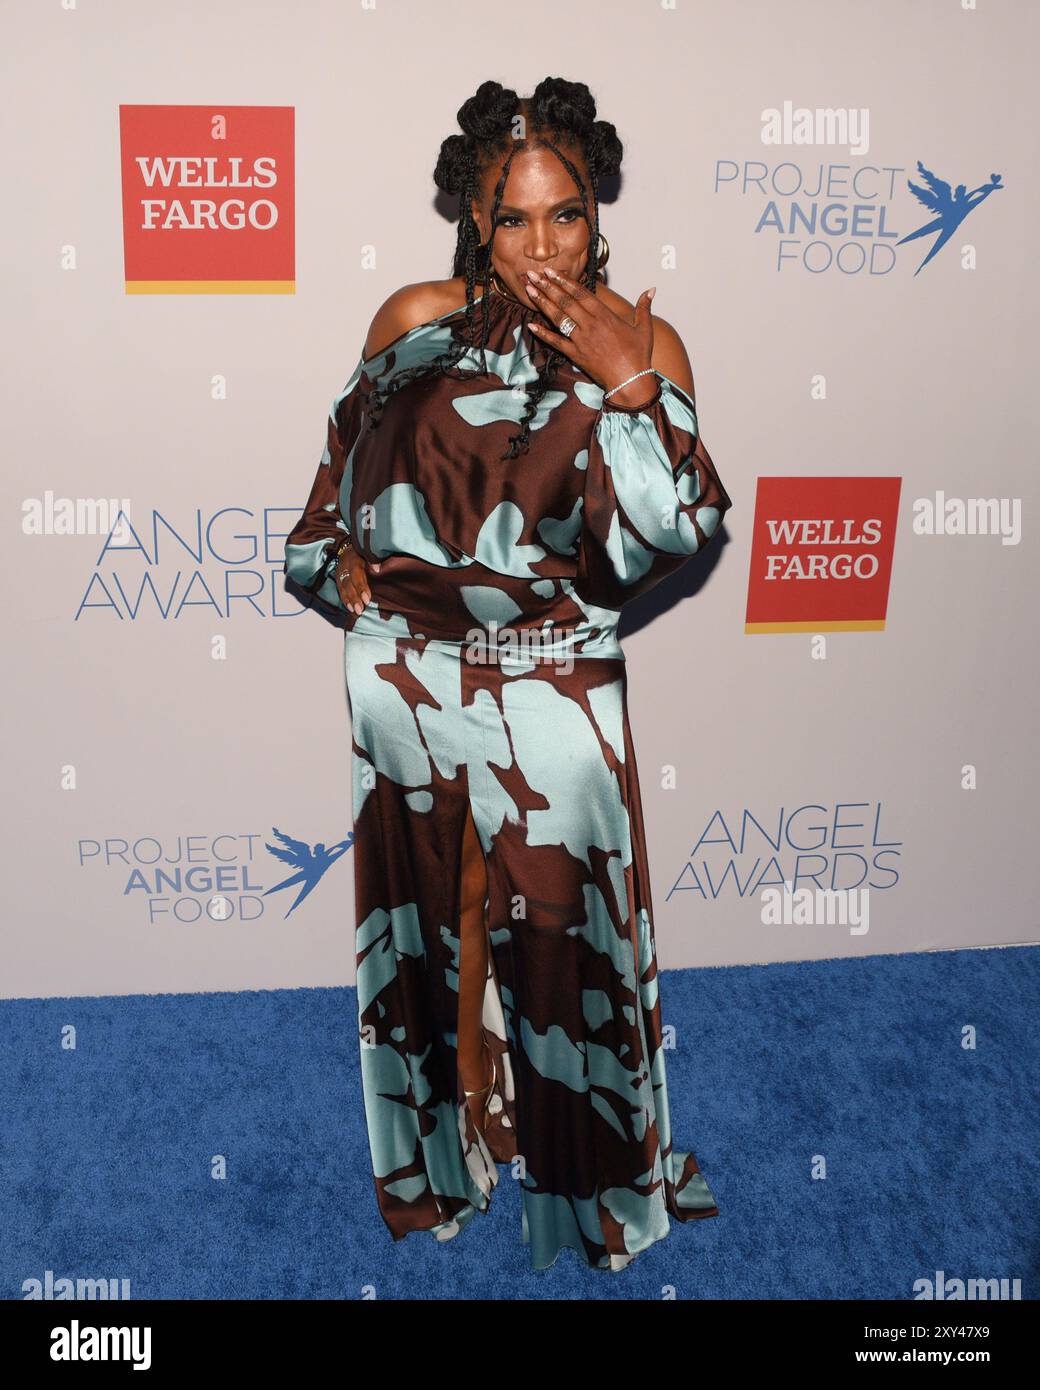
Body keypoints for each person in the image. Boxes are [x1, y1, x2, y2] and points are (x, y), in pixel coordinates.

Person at [283, 76, 733, 1273]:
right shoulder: (410, 319)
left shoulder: (642, 339)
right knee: (444, 912)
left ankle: (579, 1164)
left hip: (555, 674)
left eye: (565, 214)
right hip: (409, 673)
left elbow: (668, 532)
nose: (542, 244)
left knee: (562, 922)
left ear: (597, 215)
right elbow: (339, 480)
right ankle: (455, 1131)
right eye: (513, 218)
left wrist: (623, 379)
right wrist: (341, 569)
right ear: (475, 221)